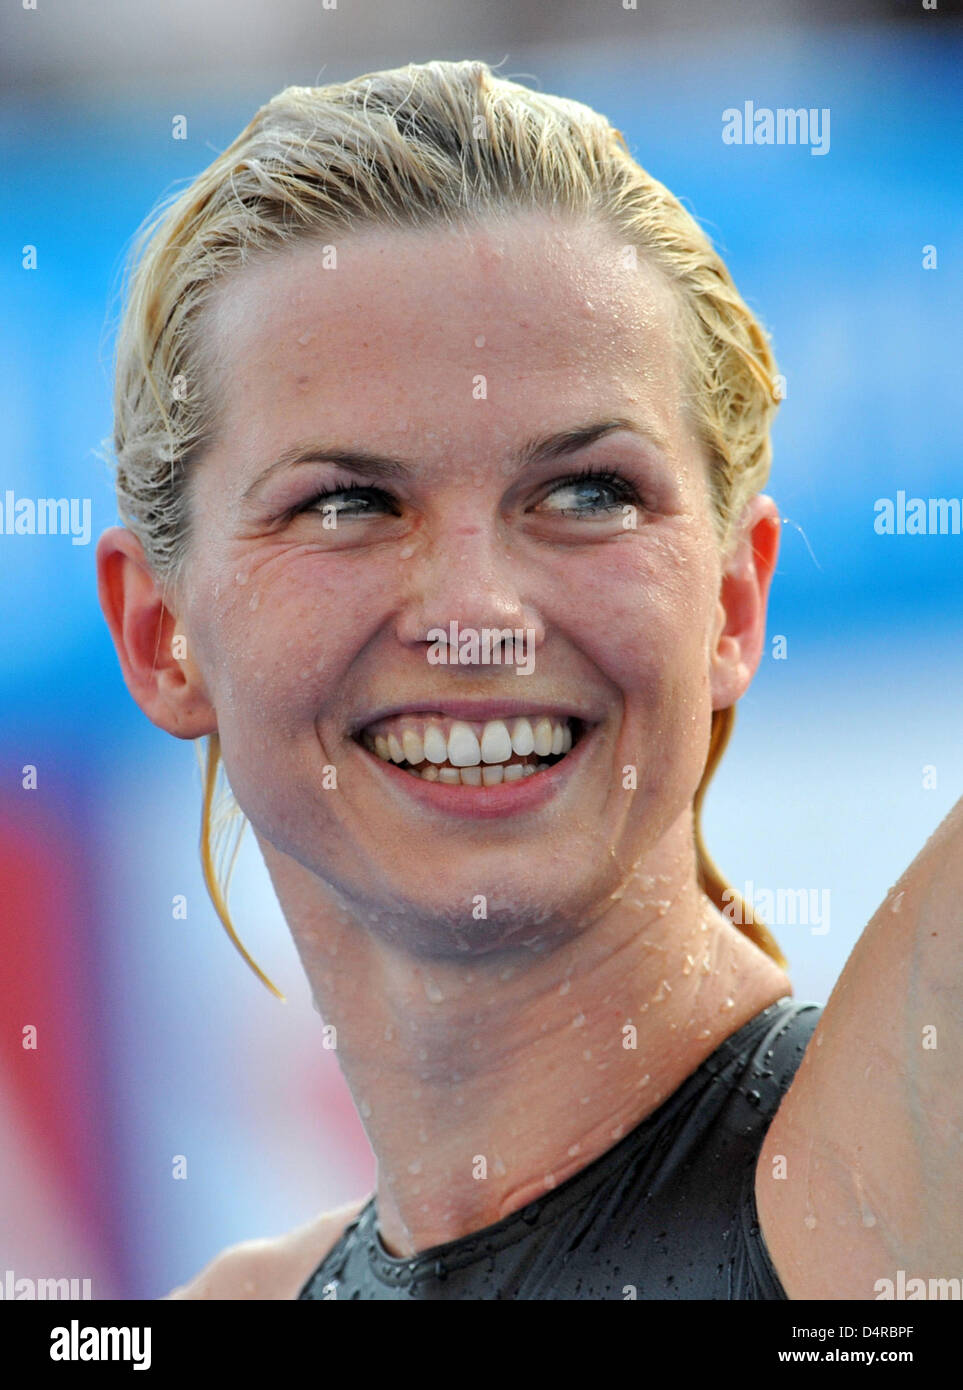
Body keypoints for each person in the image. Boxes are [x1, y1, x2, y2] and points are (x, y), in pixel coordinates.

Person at [96, 59, 960, 1299]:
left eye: (585, 493)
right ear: (158, 635)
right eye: (347, 503)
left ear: (732, 599)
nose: (477, 618)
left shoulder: (901, 1167)